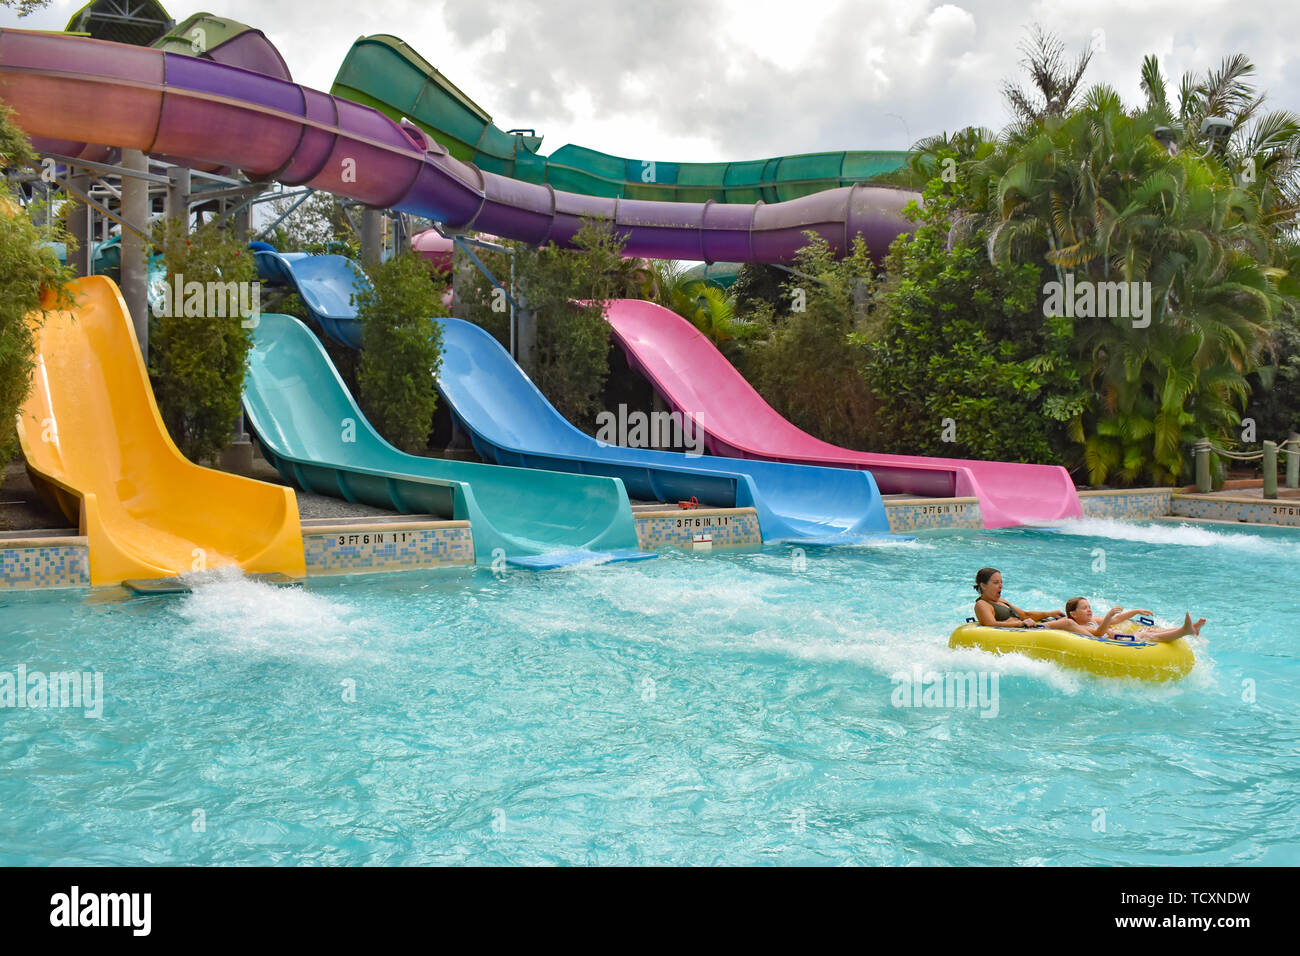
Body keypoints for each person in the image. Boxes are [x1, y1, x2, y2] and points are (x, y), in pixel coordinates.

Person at [1048, 597, 1204, 643]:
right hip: (1117, 642)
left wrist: (1135, 611)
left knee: (1148, 630)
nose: (1089, 610)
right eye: (1084, 608)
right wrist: (1108, 617)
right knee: (1146, 636)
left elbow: (1116, 620)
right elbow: (1097, 633)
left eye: (1089, 606)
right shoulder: (1076, 625)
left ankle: (1190, 630)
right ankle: (1184, 631)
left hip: (1118, 636)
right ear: (1073, 614)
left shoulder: (1093, 619)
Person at [972, 567, 1063, 628]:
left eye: (1001, 582)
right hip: (1020, 631)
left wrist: (1049, 614)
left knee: (1065, 620)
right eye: (996, 583)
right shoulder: (982, 604)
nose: (1001, 586)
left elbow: (1025, 615)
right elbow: (991, 624)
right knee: (1067, 623)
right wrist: (1020, 624)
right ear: (983, 585)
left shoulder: (1001, 601)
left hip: (1026, 628)